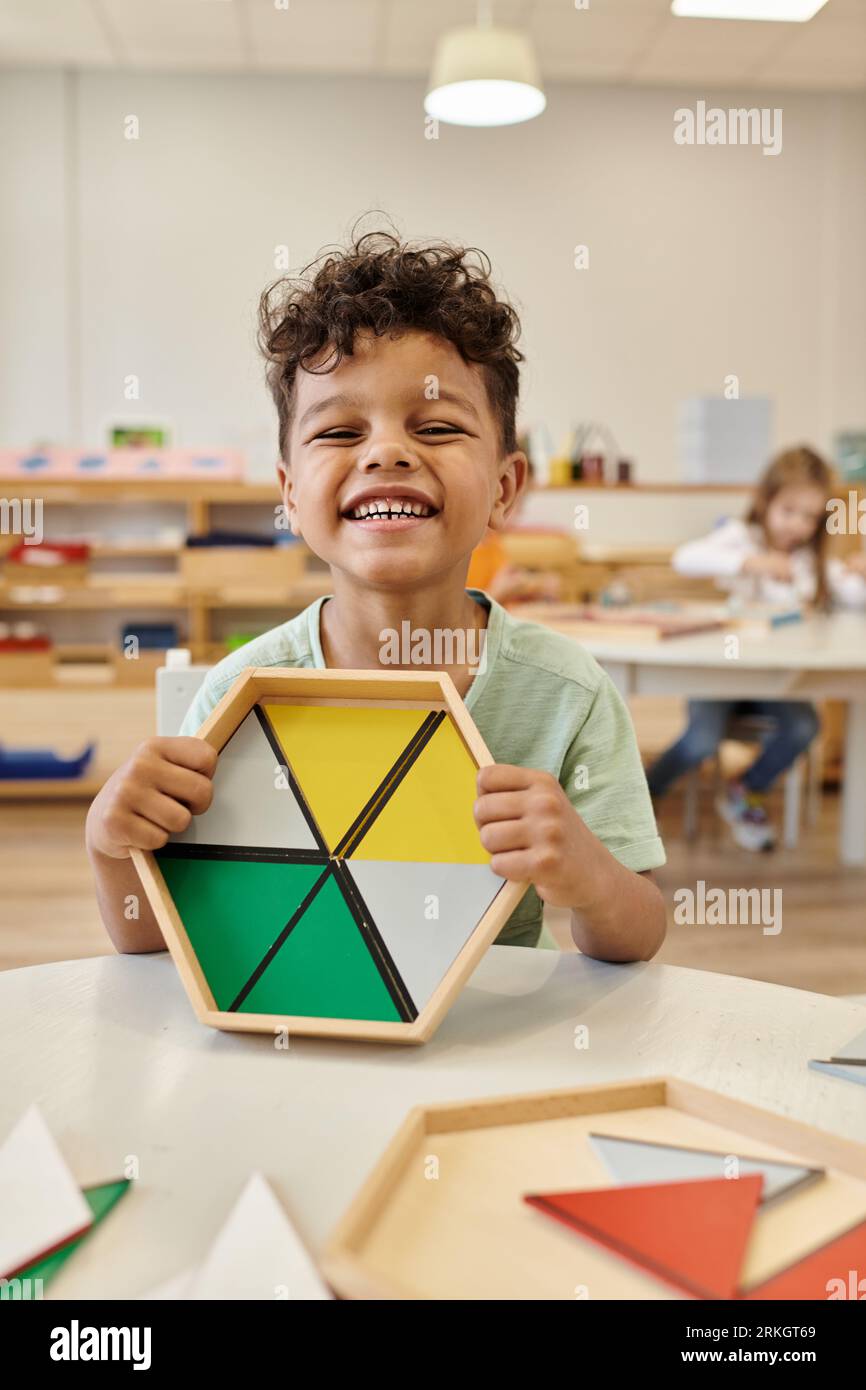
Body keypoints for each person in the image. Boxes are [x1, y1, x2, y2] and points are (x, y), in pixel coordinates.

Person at [86, 226, 666, 961]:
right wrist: (110, 844)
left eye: (437, 425)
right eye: (338, 432)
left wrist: (589, 875)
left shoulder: (567, 694)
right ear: (291, 496)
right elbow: (150, 940)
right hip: (300, 1024)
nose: (387, 451)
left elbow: (637, 935)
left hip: (496, 1055)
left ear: (504, 487)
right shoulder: (242, 695)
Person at [646, 446, 866, 851]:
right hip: (720, 678)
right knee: (701, 741)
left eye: (810, 517)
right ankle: (645, 796)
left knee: (805, 727)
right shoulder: (739, 538)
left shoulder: (810, 563)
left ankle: (746, 790)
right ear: (766, 500)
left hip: (774, 684)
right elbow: (685, 558)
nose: (798, 526)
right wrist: (749, 564)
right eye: (789, 511)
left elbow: (854, 595)